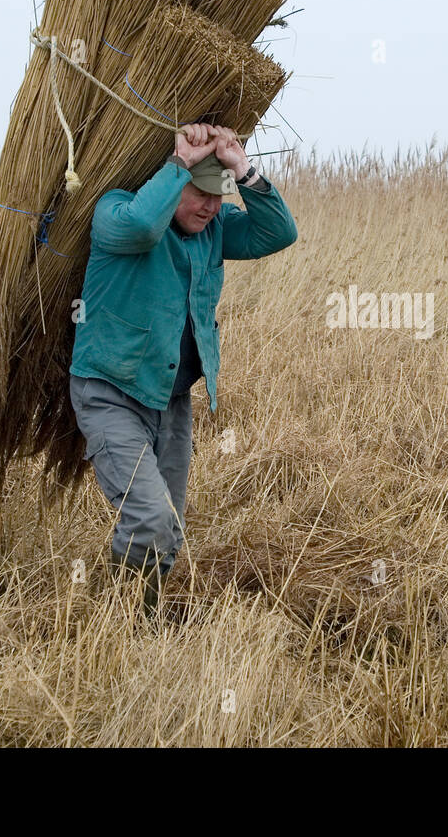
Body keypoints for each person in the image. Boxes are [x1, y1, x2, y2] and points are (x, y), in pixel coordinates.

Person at [68, 123, 297, 614]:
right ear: (172, 179)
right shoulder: (115, 211)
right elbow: (143, 228)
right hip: (110, 392)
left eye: (220, 196)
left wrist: (242, 168)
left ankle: (136, 623)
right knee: (150, 520)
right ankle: (110, 622)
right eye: (200, 192)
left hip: (170, 400)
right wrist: (180, 164)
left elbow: (278, 232)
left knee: (168, 526)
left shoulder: (212, 229)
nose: (212, 206)